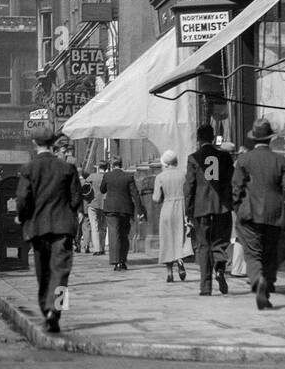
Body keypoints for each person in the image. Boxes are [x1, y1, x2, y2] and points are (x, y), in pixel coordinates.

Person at [14, 124, 83, 334]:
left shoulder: (29, 169)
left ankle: (46, 309)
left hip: (38, 227)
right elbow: (75, 199)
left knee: (43, 272)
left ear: (34, 143)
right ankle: (57, 312)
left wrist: (21, 216)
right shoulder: (67, 168)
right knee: (61, 273)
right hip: (63, 228)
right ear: (53, 144)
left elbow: (22, 198)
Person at [231, 117, 285, 309]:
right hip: (274, 214)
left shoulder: (243, 160)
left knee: (253, 253)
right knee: (270, 252)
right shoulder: (282, 161)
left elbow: (236, 188)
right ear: (270, 139)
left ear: (254, 139)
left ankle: (258, 282)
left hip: (249, 214)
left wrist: (238, 208)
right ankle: (267, 283)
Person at [183, 123, 234, 296]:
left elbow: (189, 186)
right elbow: (231, 182)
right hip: (222, 207)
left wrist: (188, 211)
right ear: (213, 138)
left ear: (198, 139)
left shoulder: (193, 158)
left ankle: (205, 287)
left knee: (204, 245)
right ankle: (219, 267)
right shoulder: (225, 157)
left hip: (201, 207)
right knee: (220, 240)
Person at [100, 156, 146, 270]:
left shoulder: (107, 176)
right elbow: (135, 194)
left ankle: (116, 262)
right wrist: (140, 210)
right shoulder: (128, 176)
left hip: (111, 209)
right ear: (121, 164)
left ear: (112, 164)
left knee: (113, 234)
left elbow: (102, 189)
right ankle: (123, 260)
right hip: (125, 209)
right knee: (124, 235)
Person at [152, 150, 188, 283]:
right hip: (182, 207)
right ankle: (180, 259)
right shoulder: (183, 174)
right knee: (180, 237)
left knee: (167, 240)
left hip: (167, 208)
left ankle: (169, 272)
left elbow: (156, 198)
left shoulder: (160, 177)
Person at [86, 160, 109, 255]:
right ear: (107, 168)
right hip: (105, 203)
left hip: (93, 203)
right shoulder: (108, 177)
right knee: (103, 226)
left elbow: (84, 188)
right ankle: (103, 247)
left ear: (98, 167)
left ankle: (97, 249)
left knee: (94, 227)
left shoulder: (92, 176)